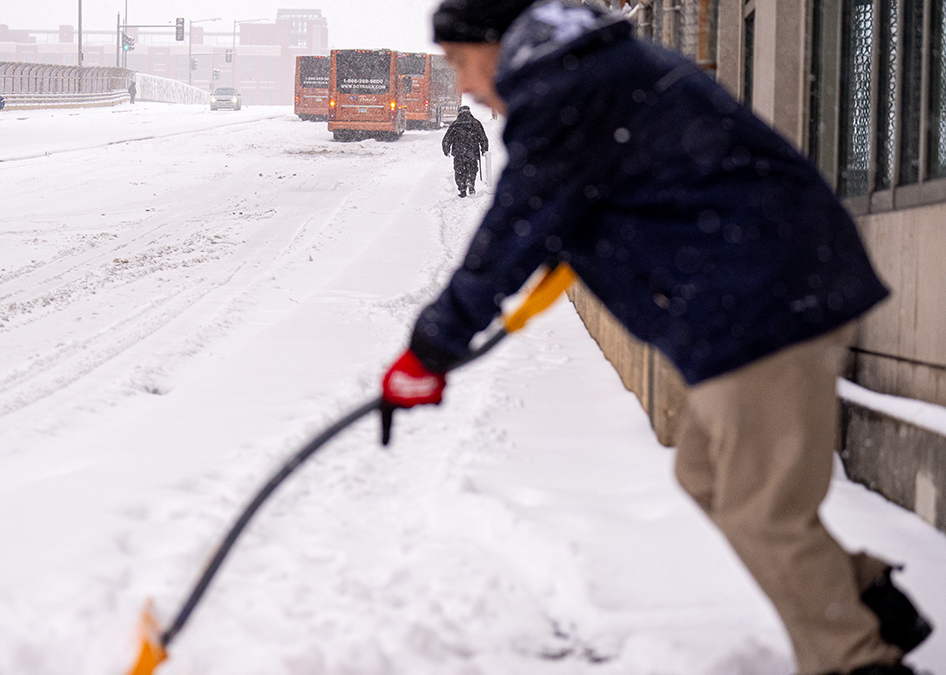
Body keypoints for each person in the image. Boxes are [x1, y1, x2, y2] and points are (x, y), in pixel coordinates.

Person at [380, 2, 933, 675]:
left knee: (761, 512)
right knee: (705, 476)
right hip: (763, 293)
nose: (463, 84)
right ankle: (865, 598)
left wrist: (433, 346)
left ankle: (856, 660)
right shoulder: (590, 69)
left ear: (498, 45)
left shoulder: (563, 87)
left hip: (765, 304)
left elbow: (514, 222)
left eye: (460, 63)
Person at [441, 105, 489, 197]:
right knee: (472, 168)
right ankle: (471, 183)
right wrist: (484, 149)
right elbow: (483, 137)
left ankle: (462, 189)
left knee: (459, 170)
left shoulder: (455, 124)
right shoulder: (475, 123)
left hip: (459, 152)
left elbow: (447, 138)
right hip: (473, 151)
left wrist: (446, 149)